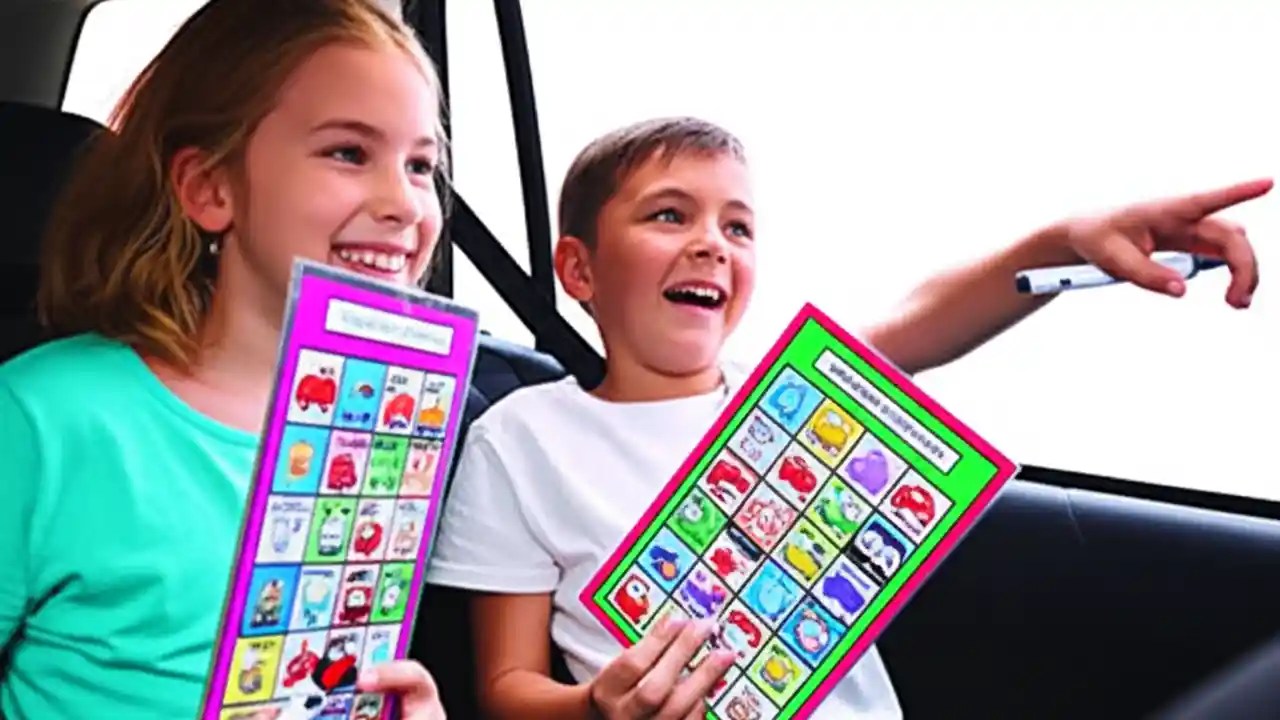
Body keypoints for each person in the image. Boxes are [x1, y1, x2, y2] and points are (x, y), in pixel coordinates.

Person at [423, 116, 1269, 719]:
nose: (714, 242)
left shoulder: (785, 400)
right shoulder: (520, 439)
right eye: (669, 214)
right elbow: (505, 685)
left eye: (739, 226)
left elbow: (928, 316)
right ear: (578, 268)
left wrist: (1065, 240)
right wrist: (597, 708)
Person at [0, 0, 452, 718]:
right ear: (210, 188)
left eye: (422, 164)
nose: (403, 201)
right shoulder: (43, 418)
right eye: (347, 152)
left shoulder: (398, 438)